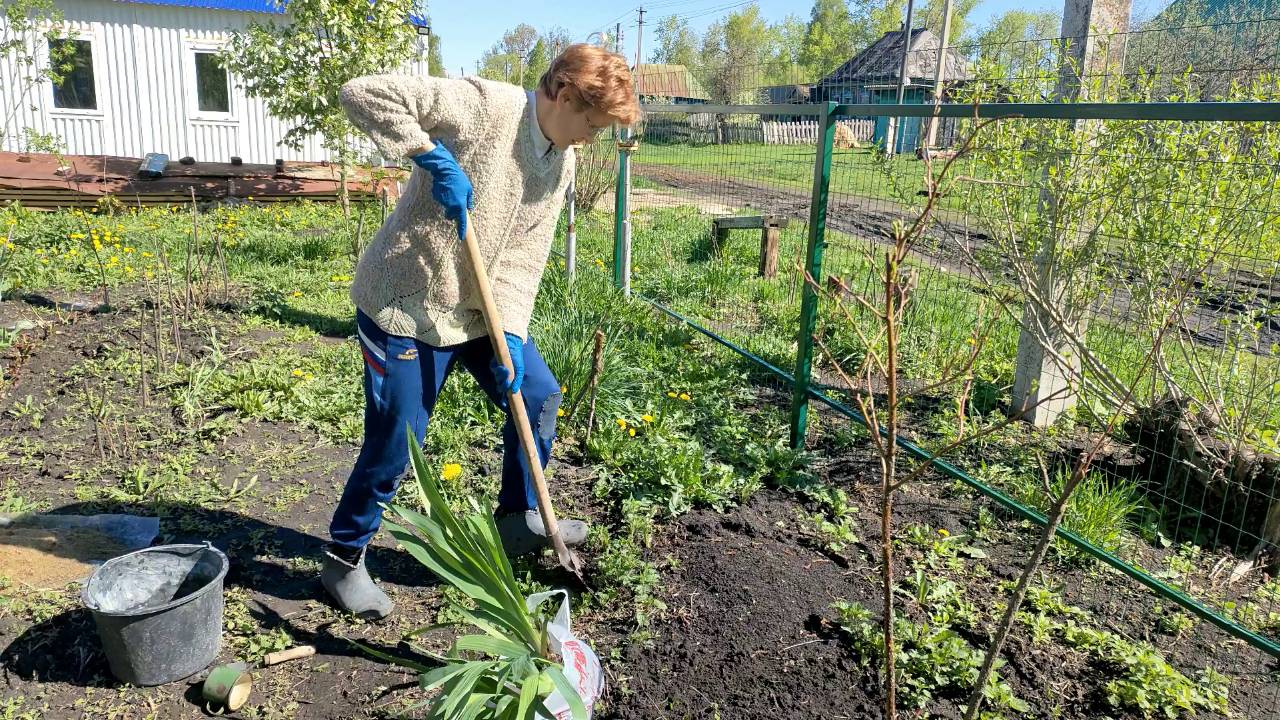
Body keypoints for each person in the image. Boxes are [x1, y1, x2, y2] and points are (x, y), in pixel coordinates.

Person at [319, 45, 641, 620]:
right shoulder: (487, 106)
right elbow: (362, 90)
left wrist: (510, 334)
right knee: (401, 440)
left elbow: (524, 256)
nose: (589, 140)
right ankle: (343, 558)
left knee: (536, 394)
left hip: (477, 312)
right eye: (591, 125)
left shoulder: (560, 160)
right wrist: (429, 156)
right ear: (565, 97)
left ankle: (518, 519)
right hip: (406, 304)